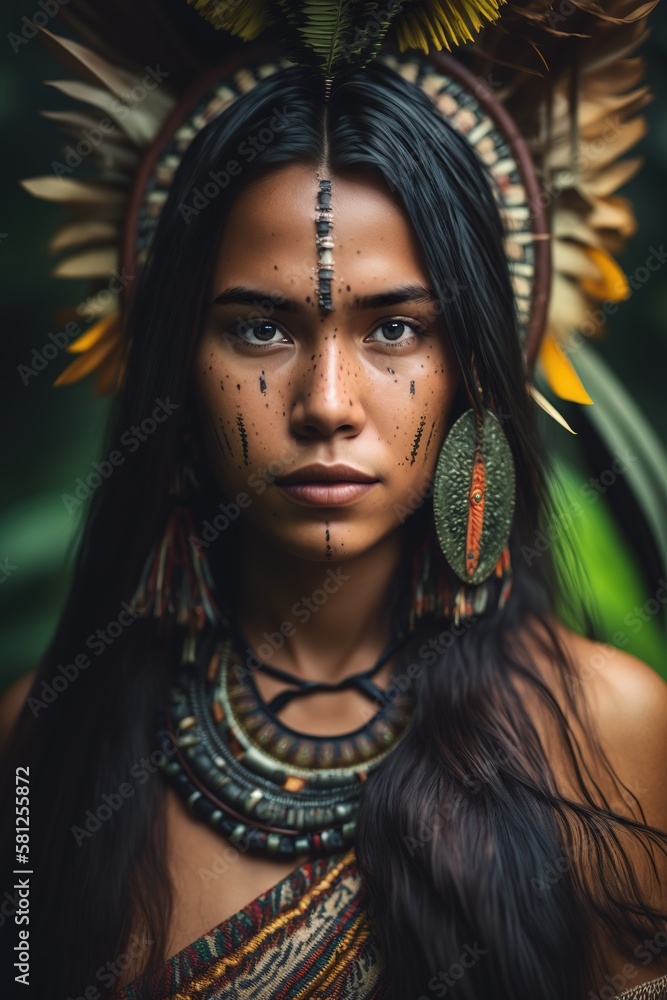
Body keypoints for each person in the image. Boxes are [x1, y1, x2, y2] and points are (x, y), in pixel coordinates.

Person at [1, 3, 666, 999]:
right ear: (176, 366)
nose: (325, 405)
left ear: (474, 369)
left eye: (395, 329)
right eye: (260, 330)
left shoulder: (615, 733)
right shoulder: (36, 744)